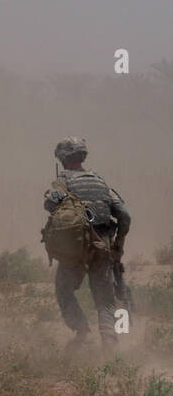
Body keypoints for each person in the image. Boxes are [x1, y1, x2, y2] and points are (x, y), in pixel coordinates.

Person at [43, 137, 131, 347]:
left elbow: (49, 204)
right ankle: (109, 341)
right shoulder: (101, 182)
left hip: (76, 249)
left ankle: (82, 333)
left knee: (64, 290)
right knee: (104, 300)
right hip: (104, 247)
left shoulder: (63, 181)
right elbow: (125, 216)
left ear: (64, 158)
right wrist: (118, 246)